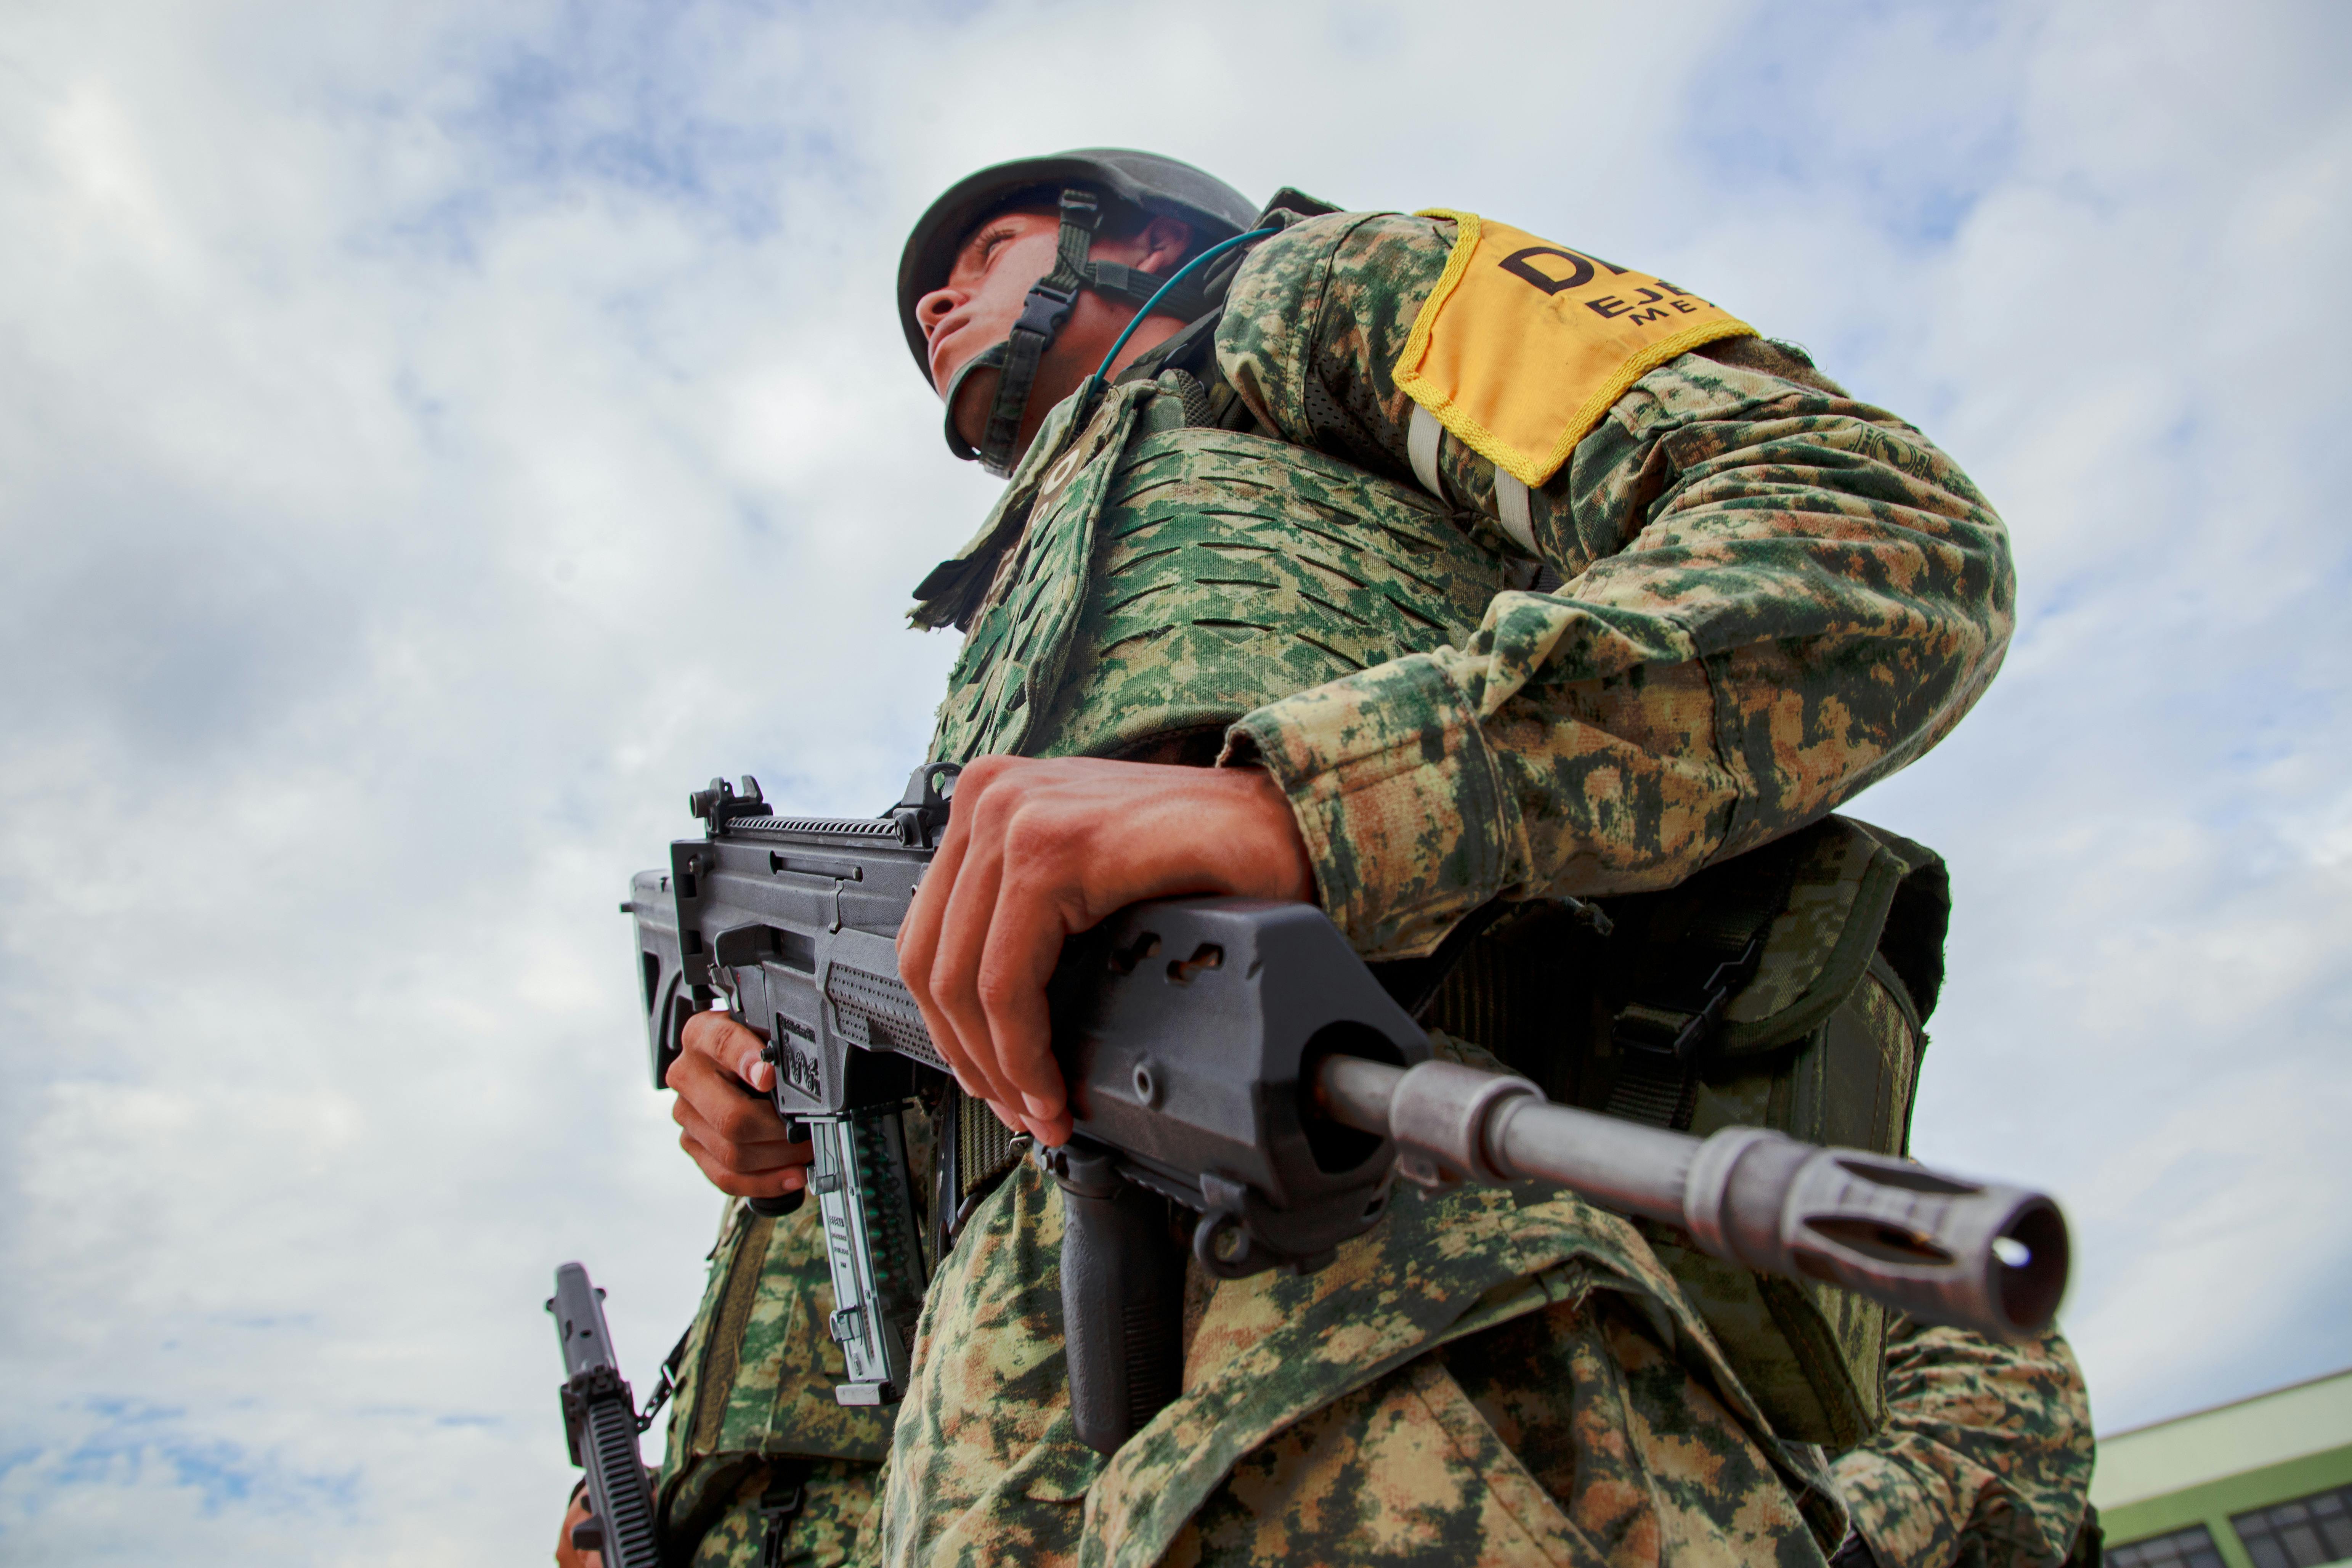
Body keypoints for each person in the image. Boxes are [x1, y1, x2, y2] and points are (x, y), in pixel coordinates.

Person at [602, 149, 2097, 1568]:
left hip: (1414, 1315)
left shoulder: (1323, 290)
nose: (933, 300)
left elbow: (1866, 536)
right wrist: (784, 1149)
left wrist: (1320, 799)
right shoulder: (1039, 604)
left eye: (990, 250)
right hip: (999, 1453)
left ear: (1133, 236)